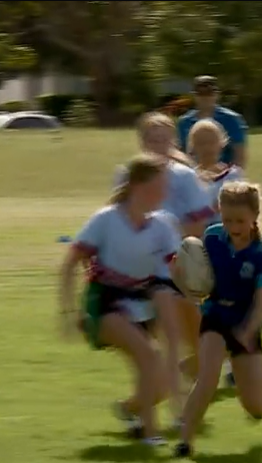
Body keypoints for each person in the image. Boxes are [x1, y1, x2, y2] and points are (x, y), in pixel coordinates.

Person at [58, 153, 182, 445]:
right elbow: (69, 264)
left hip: (143, 306)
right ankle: (149, 433)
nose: (166, 193)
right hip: (105, 305)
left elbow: (176, 269)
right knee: (149, 356)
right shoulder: (106, 219)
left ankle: (129, 410)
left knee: (160, 385)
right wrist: (67, 312)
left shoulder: (163, 225)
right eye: (161, 186)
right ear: (139, 186)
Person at [174, 182, 262, 458]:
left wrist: (247, 332)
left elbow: (261, 304)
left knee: (258, 409)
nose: (233, 226)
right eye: (228, 219)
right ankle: (184, 442)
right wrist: (188, 289)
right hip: (216, 317)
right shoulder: (211, 238)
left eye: (240, 221)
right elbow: (181, 268)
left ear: (255, 216)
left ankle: (203, 362)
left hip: (245, 325)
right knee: (208, 379)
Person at [119, 112, 214, 419]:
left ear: (173, 141)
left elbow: (199, 224)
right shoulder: (127, 175)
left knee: (203, 345)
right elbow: (119, 221)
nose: (158, 145)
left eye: (164, 139)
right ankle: (174, 410)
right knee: (161, 346)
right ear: (141, 142)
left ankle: (135, 407)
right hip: (141, 274)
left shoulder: (184, 177)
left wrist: (172, 247)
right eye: (152, 139)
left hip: (180, 269)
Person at [189, 118, 246, 387]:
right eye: (200, 142)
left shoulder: (234, 175)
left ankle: (233, 364)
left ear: (222, 143)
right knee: (203, 310)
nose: (206, 147)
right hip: (197, 251)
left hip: (227, 247)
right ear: (191, 146)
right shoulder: (186, 178)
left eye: (211, 141)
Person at [177, 76, 248, 167]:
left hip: (224, 172)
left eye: (209, 93)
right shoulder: (184, 122)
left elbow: (239, 154)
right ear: (194, 95)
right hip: (194, 172)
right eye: (201, 93)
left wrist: (232, 174)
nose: (205, 97)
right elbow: (182, 153)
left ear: (217, 94)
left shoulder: (232, 119)